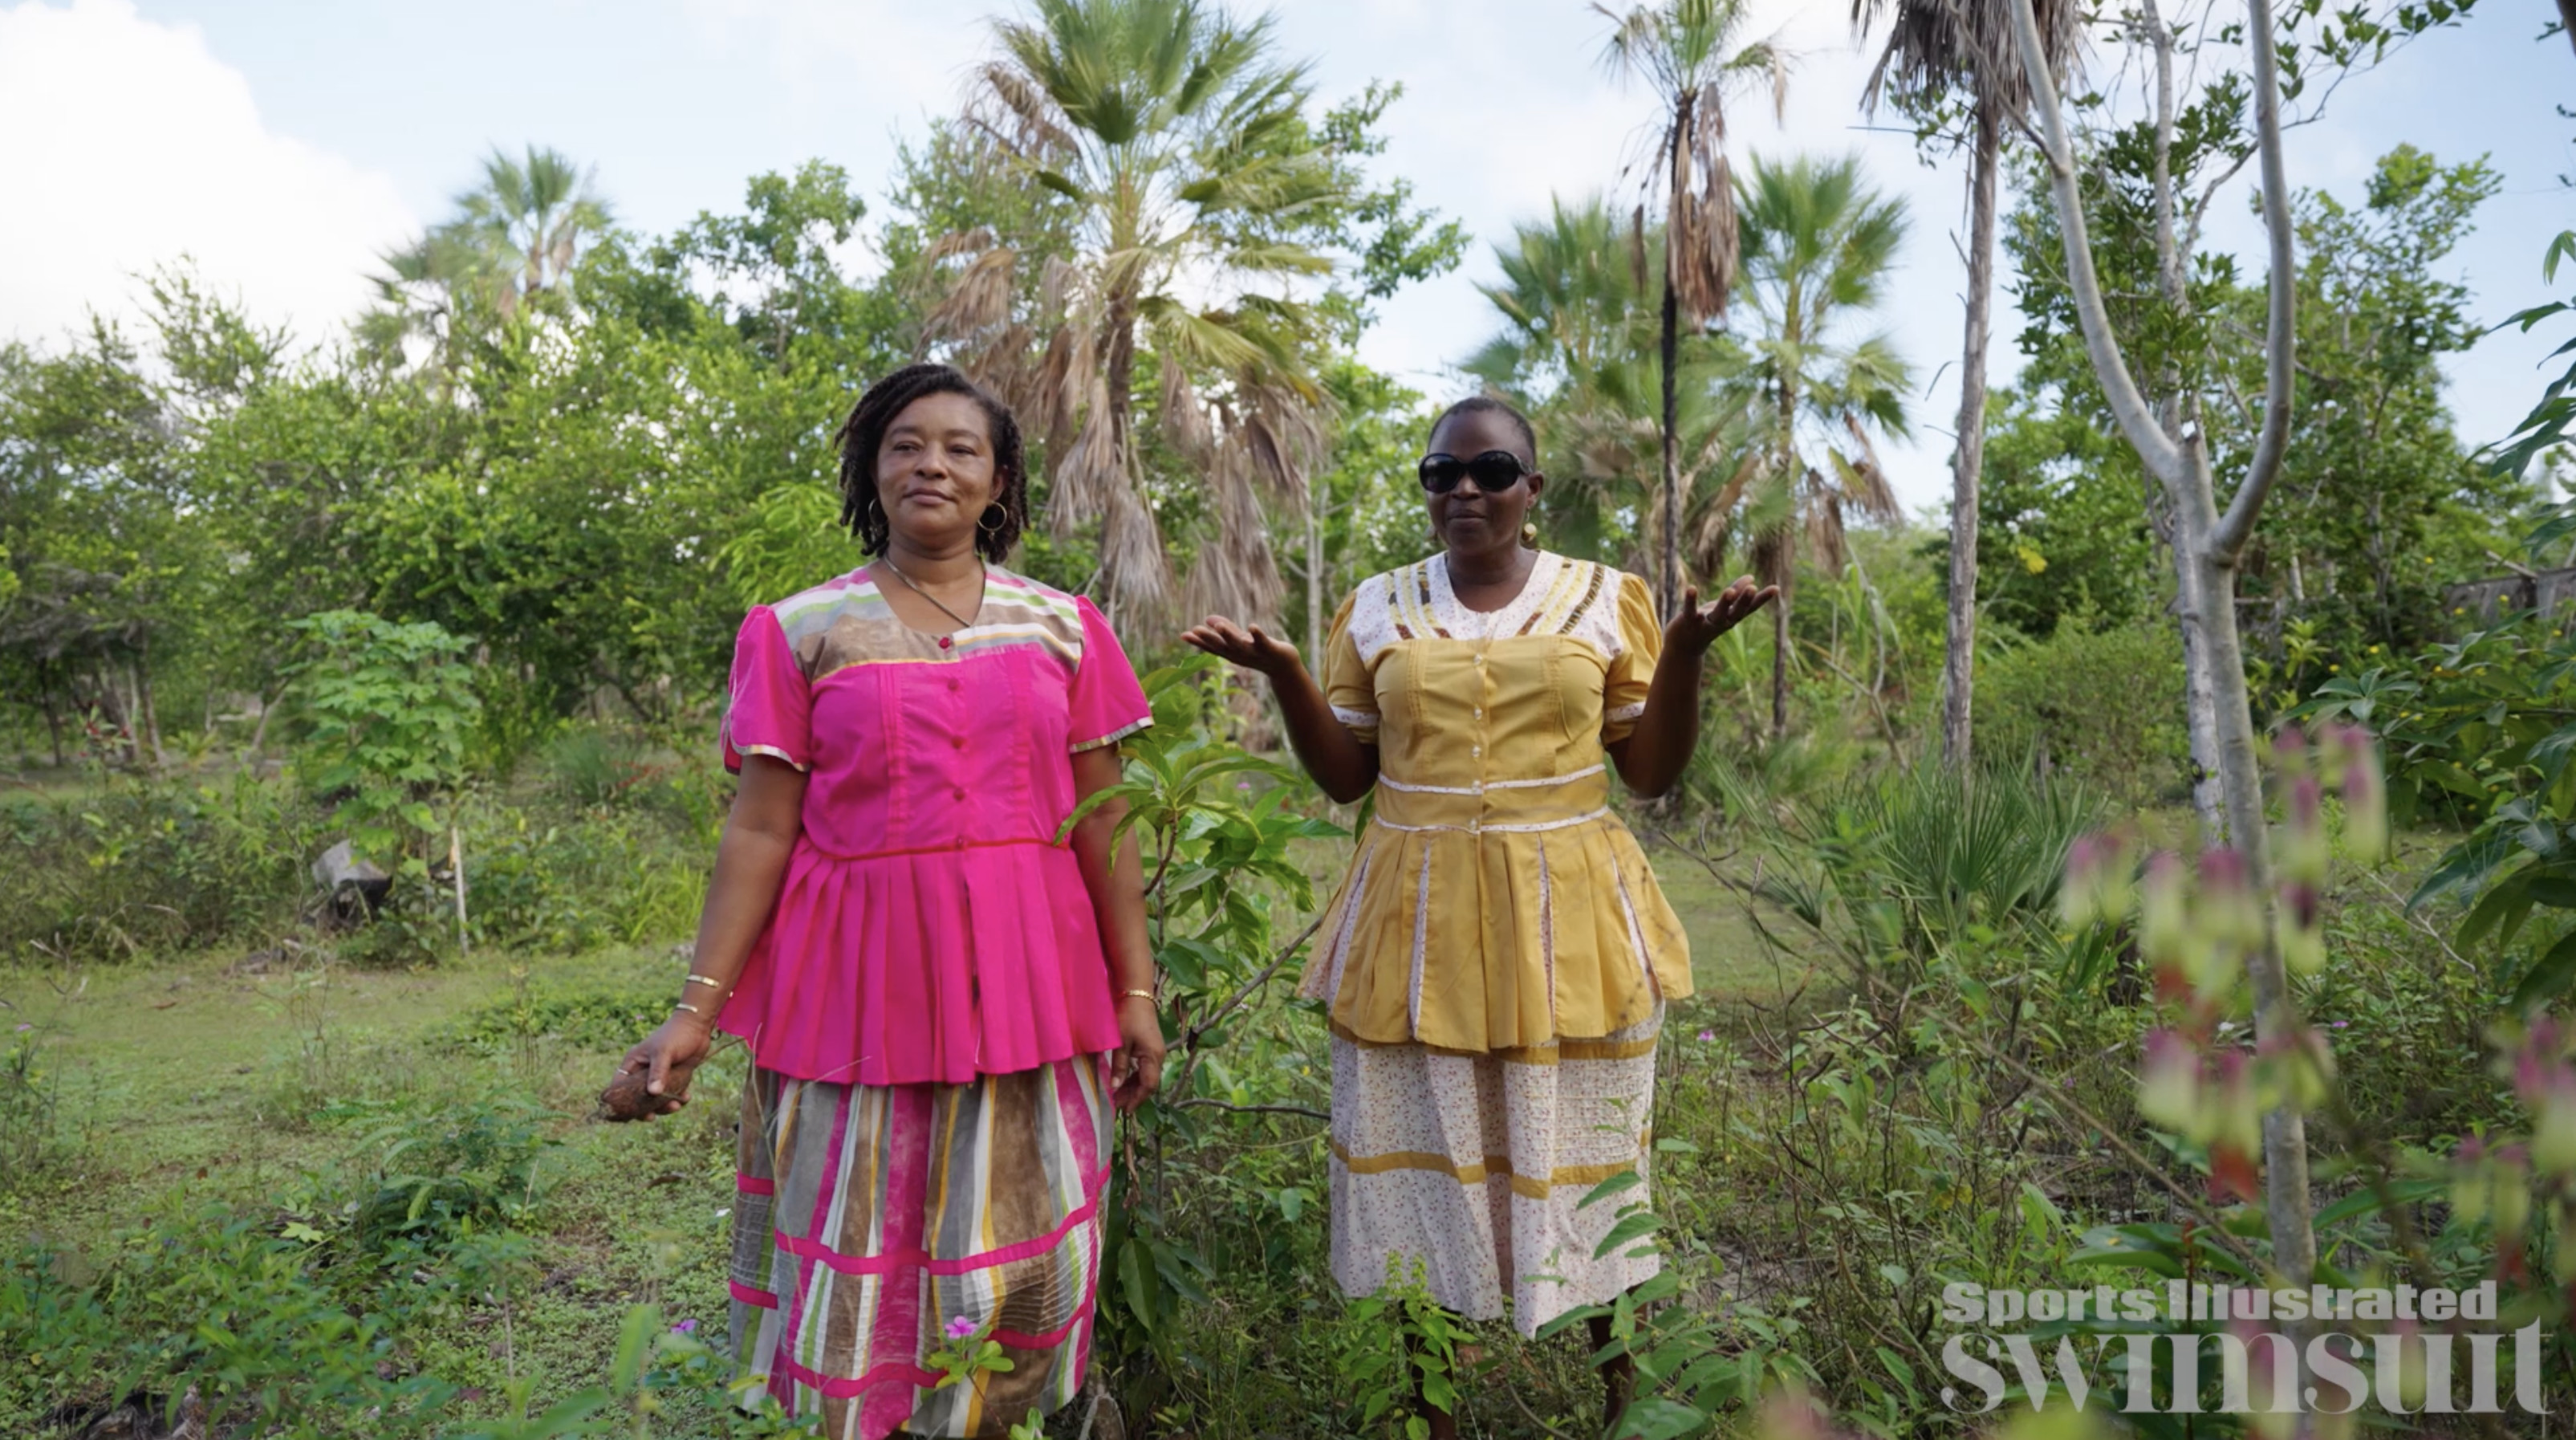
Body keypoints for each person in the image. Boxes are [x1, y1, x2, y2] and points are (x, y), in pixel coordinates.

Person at [1181, 395, 1775, 1436]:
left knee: (1588, 1154)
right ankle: (1432, 1412)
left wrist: (1684, 653)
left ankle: (1623, 1396)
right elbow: (1343, 777)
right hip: (1418, 923)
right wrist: (1282, 674)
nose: (1463, 489)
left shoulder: (1604, 597)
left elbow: (1646, 770)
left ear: (1530, 490)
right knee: (1427, 1149)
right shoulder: (1376, 605)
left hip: (1571, 920)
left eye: (1491, 470)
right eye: (1440, 472)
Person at [615, 363, 1164, 1440]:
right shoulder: (800, 626)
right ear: (874, 466)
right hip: (853, 988)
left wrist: (1134, 988)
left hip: (1036, 988)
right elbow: (762, 827)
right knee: (862, 1230)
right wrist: (696, 1010)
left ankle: (997, 1421)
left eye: (961, 447)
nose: (932, 464)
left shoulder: (1063, 626)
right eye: (906, 443)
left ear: (998, 482)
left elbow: (1106, 821)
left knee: (1022, 1231)